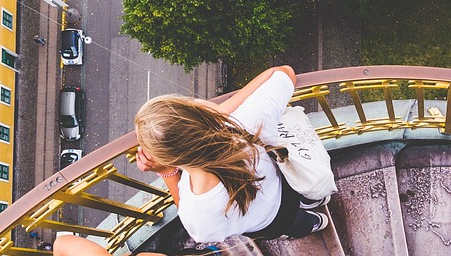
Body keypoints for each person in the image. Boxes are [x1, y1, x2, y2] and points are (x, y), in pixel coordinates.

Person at [134, 65, 329, 243]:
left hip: (272, 222)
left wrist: (167, 172)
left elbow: (198, 231)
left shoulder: (196, 212)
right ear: (196, 109)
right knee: (303, 187)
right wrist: (222, 111)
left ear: (171, 158)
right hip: (285, 185)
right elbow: (284, 73)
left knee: (297, 224)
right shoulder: (244, 121)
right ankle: (313, 198)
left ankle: (314, 223)